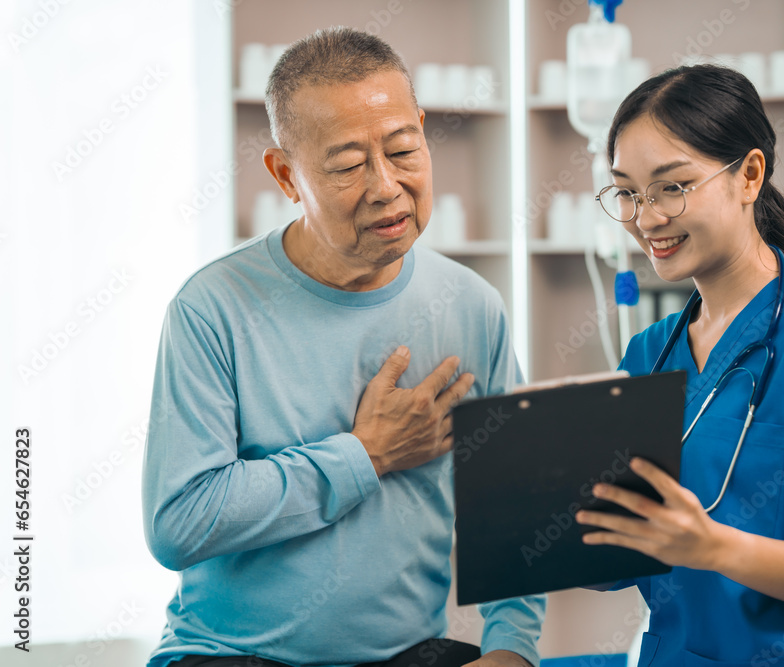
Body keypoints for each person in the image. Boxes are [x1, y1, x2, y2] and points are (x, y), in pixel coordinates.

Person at [141, 26, 544, 667]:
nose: (386, 186)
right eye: (349, 166)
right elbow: (179, 523)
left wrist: (511, 648)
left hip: (408, 653)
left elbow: (515, 507)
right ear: (287, 176)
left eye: (405, 150)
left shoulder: (472, 306)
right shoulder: (212, 309)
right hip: (234, 655)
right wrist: (365, 454)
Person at [574, 65, 784, 665]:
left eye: (672, 187)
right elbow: (620, 559)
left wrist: (710, 546)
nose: (647, 218)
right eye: (628, 192)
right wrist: (554, 527)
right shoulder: (649, 355)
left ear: (749, 175)